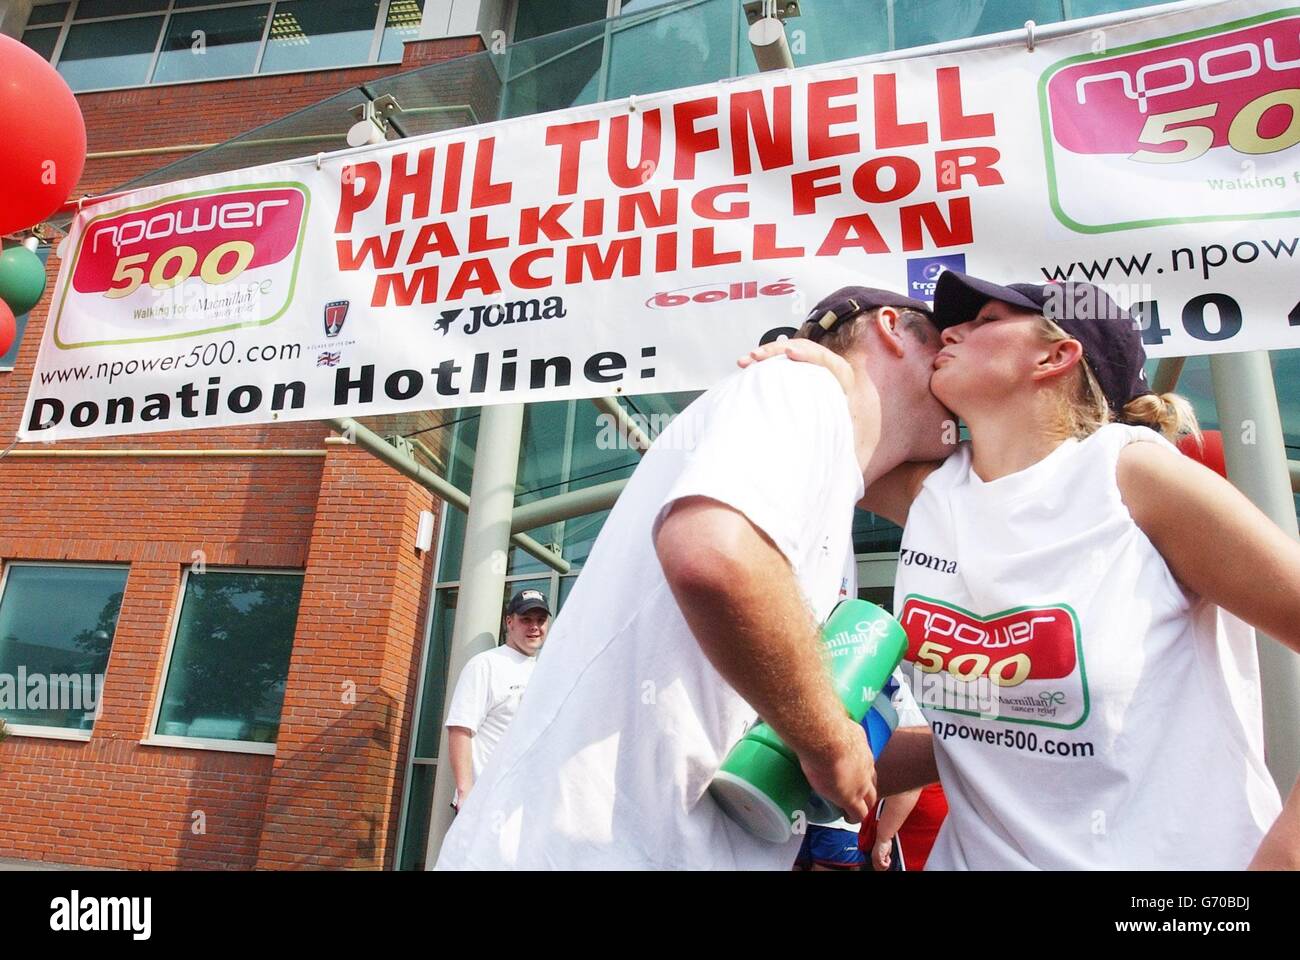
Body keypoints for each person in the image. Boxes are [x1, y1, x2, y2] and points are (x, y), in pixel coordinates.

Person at [741, 270, 1300, 869]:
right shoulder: (929, 495)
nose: (950, 330)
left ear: (1055, 357)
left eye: (985, 322)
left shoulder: (1129, 476)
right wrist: (821, 380)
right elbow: (972, 744)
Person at [436, 285, 954, 869]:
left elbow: (792, 745)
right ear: (893, 328)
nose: (955, 364)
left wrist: (984, 749)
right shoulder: (804, 388)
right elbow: (712, 554)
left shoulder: (831, 496)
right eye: (945, 341)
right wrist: (830, 737)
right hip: (577, 848)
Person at [443, 588, 551, 811]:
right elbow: (460, 729)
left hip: (525, 804)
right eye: (526, 619)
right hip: (486, 803)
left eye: (540, 620)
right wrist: (465, 792)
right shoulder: (485, 665)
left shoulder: (545, 671)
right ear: (509, 622)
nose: (534, 627)